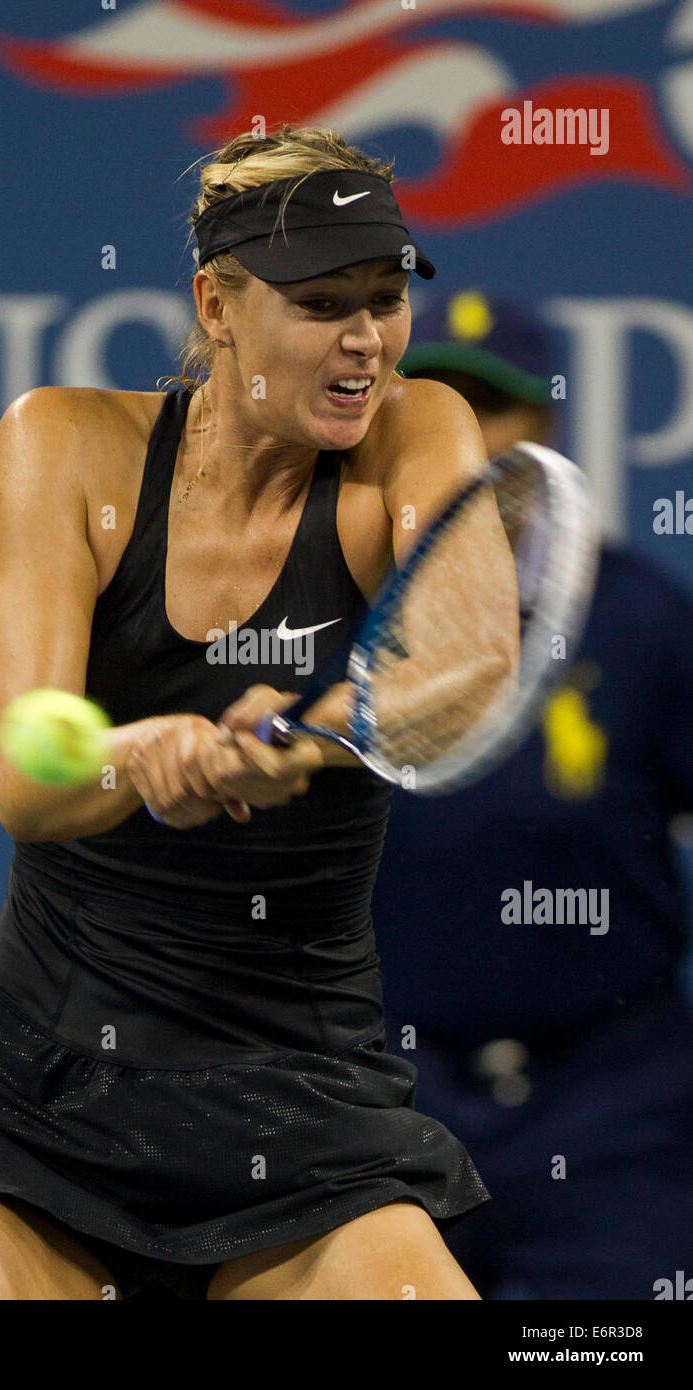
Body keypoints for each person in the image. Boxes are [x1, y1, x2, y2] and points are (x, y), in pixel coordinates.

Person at [0, 127, 518, 1302]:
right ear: (214, 305)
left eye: (384, 298)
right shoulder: (61, 443)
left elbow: (467, 665)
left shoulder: (419, 436)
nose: (365, 340)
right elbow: (26, 780)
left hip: (304, 1102)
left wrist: (308, 732)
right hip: (31, 1096)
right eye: (321, 303)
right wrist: (137, 754)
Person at [373, 290, 693, 1300]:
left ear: (543, 431)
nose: (466, 443)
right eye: (436, 408)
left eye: (492, 410)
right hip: (382, 1105)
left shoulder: (644, 622)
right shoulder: (329, 620)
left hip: (613, 1110)